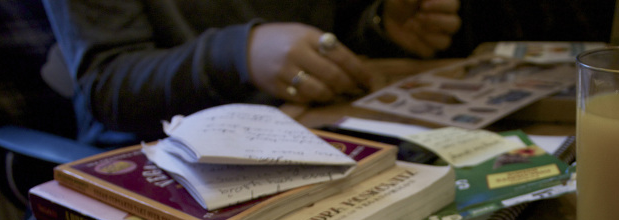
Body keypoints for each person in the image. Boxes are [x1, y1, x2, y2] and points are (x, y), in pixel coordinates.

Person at [42, 0, 462, 146]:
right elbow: (107, 83)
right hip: (162, 160)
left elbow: (321, 25)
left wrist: (375, 27)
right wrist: (238, 53)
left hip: (314, 130)